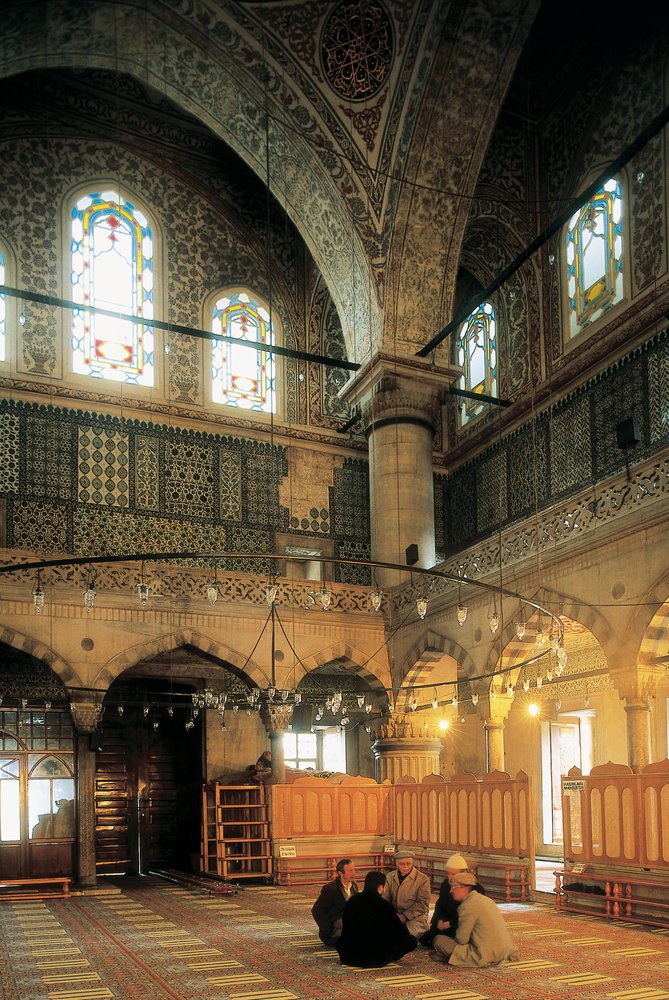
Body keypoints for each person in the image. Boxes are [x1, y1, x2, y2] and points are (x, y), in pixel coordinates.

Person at [431, 872, 518, 967]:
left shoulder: (467, 906)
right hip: (504, 951)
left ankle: (451, 958)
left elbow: (461, 939)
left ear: (464, 888)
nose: (451, 891)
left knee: (439, 940)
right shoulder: (487, 900)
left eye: (454, 887)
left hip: (484, 954)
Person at [336, 870, 417, 968]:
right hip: (377, 959)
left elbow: (345, 928)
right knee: (411, 941)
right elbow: (401, 934)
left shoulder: (352, 901)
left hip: (349, 957)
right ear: (380, 887)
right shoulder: (385, 905)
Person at [420, 852, 485, 948]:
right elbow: (440, 905)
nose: (450, 877)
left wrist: (450, 924)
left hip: (461, 925)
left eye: (453, 874)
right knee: (424, 940)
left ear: (464, 873)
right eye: (448, 873)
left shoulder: (476, 889)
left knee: (442, 941)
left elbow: (469, 916)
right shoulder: (446, 884)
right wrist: (439, 920)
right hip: (444, 923)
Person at [382, 847, 431, 940]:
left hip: (415, 918)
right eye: (402, 864)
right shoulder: (390, 876)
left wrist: (405, 916)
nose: (405, 866)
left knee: (401, 934)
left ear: (413, 863)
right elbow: (385, 899)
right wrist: (391, 915)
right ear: (396, 864)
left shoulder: (423, 879)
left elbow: (423, 904)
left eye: (408, 863)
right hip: (395, 916)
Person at [311, 858, 359, 944]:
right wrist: (327, 929)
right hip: (334, 927)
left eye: (354, 870)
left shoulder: (354, 886)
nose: (354, 873)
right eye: (350, 871)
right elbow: (317, 911)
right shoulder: (330, 889)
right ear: (340, 873)